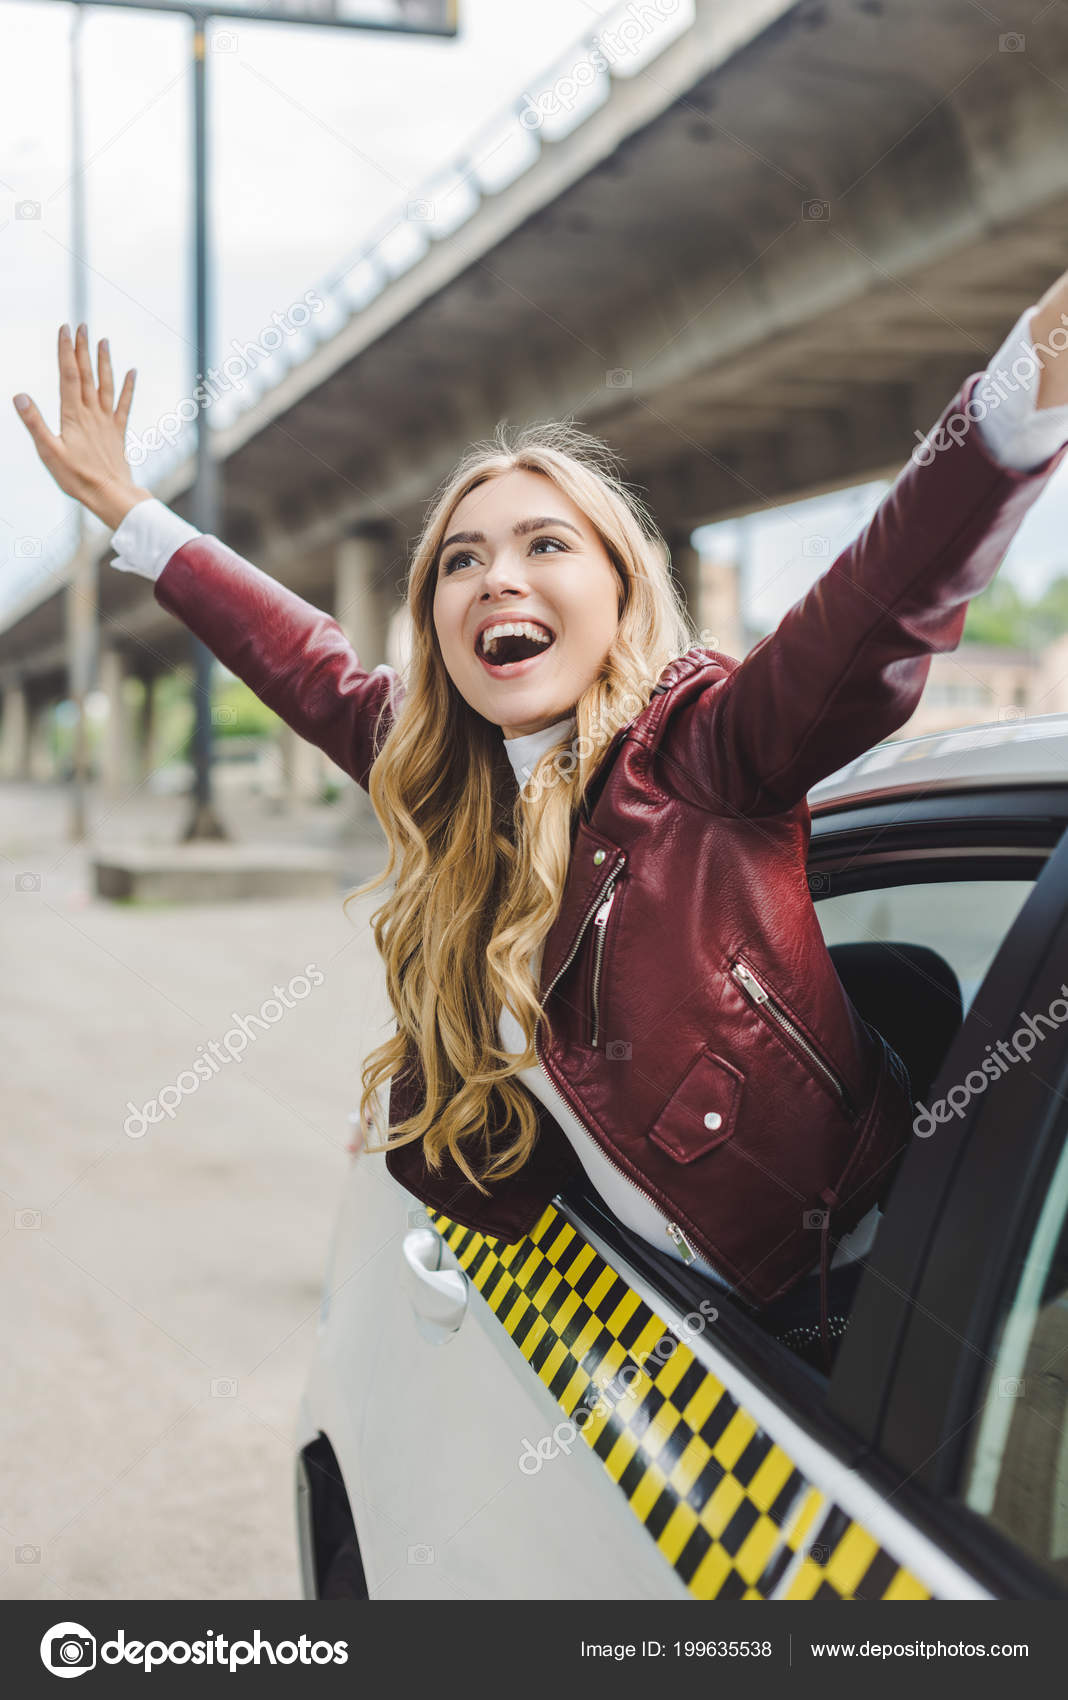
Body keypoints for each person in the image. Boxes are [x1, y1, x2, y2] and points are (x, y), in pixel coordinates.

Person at [13, 284, 1068, 1370]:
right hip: (641, 1341)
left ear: (619, 589)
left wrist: (1022, 392)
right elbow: (305, 663)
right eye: (460, 560)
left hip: (845, 1313)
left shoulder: (701, 757)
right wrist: (128, 508)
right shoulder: (445, 774)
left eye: (543, 544)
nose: (495, 576)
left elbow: (875, 605)